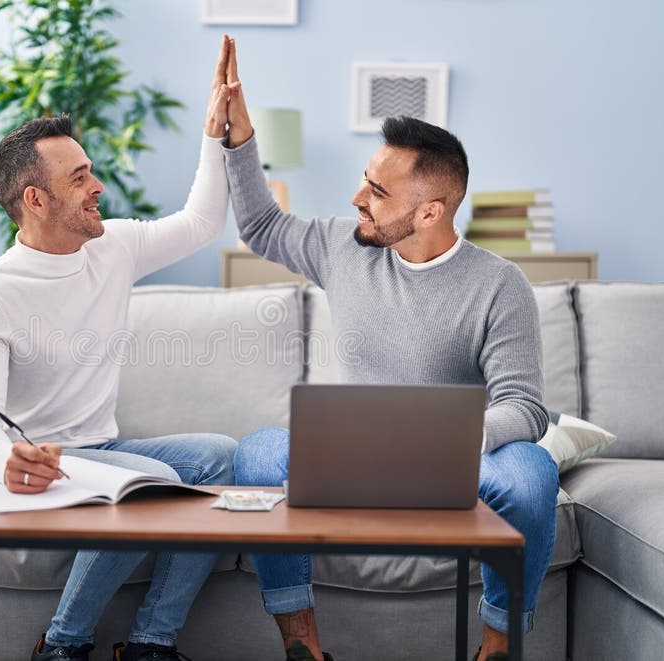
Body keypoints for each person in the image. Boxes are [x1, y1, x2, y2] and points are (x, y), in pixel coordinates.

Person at [217, 39, 559, 661]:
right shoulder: (344, 246)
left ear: (430, 210)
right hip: (353, 457)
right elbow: (262, 227)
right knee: (259, 453)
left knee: (534, 474)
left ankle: (497, 649)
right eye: (364, 180)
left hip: (455, 463)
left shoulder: (499, 284)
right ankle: (302, 644)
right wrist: (239, 140)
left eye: (376, 190)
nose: (357, 199)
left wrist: (461, 436)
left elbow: (526, 408)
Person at [0, 36, 241, 661]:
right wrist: (6, 460)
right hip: (14, 467)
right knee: (152, 483)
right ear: (35, 200)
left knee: (218, 458)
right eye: (79, 178)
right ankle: (61, 646)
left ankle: (148, 644)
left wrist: (214, 133)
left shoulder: (112, 245)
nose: (98, 187)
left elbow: (201, 223)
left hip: (97, 452)